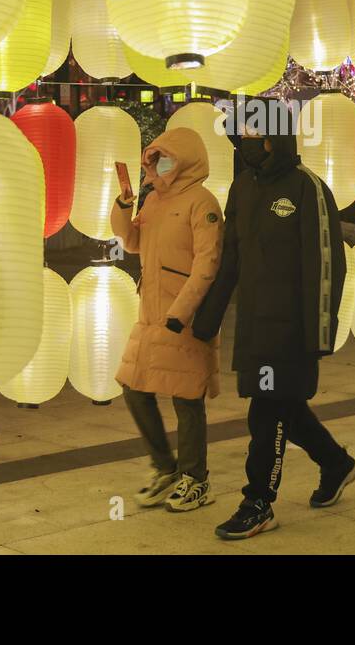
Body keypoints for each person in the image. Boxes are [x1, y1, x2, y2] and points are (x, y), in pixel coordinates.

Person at [193, 98, 355, 540]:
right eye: (242, 132)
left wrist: (319, 334)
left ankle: (258, 502)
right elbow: (230, 260)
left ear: (273, 135)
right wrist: (207, 320)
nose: (245, 139)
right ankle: (337, 463)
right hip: (254, 325)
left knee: (266, 415)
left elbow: (327, 266)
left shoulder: (308, 188)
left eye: (252, 130)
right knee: (285, 409)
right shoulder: (242, 188)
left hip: (292, 330)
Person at [111, 126, 223, 512]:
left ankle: (196, 479)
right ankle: (165, 467)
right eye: (155, 159)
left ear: (186, 160)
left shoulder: (202, 202)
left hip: (183, 317)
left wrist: (181, 312)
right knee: (133, 387)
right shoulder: (155, 201)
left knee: (186, 395)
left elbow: (207, 263)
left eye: (167, 159)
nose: (159, 166)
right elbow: (131, 242)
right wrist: (124, 205)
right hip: (150, 314)